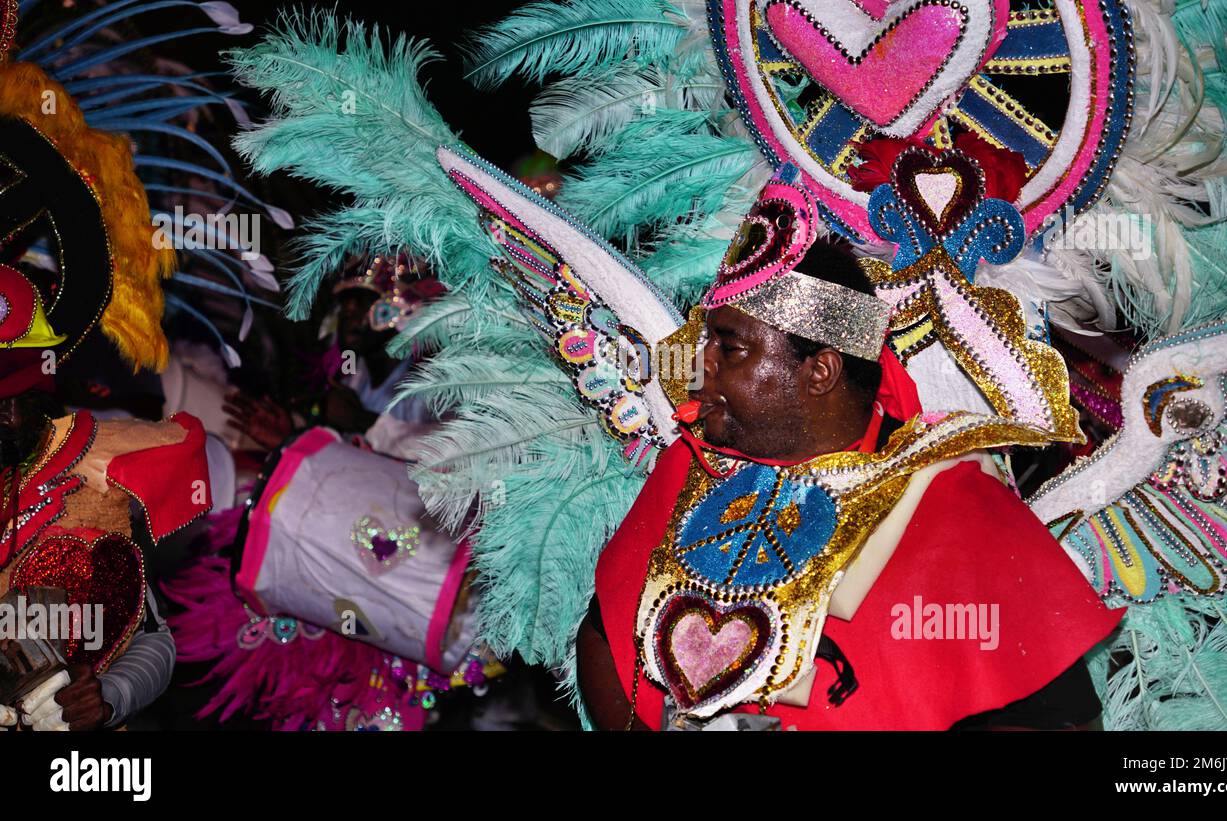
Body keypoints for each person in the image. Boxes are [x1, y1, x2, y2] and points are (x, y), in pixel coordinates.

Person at [577, 232, 1124, 731]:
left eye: (729, 347)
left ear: (820, 371)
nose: (700, 366)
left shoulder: (956, 506)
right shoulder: (692, 468)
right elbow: (604, 631)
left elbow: (1055, 719)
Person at [224, 254, 441, 459]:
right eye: (345, 301)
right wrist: (289, 439)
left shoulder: (432, 387)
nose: (348, 310)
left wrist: (362, 421)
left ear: (401, 306)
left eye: (362, 299)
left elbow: (446, 458)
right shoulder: (354, 373)